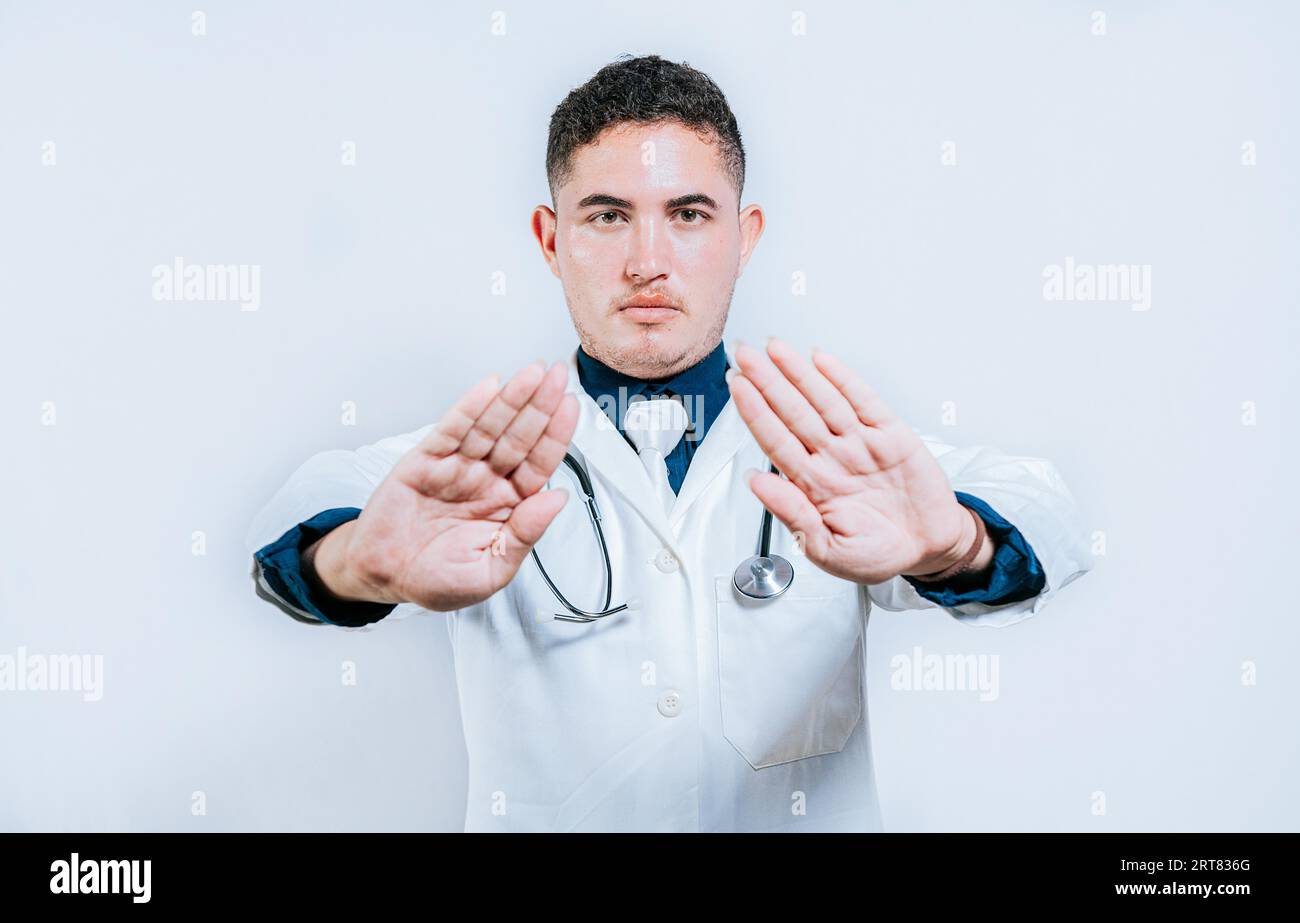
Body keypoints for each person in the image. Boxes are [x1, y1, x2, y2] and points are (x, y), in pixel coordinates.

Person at [245, 54, 1092, 832]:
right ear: (550, 240)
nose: (648, 261)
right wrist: (351, 564)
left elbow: (1046, 511)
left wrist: (958, 545)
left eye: (688, 214)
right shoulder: (472, 466)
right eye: (608, 216)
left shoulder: (832, 455)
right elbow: (301, 524)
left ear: (744, 236)